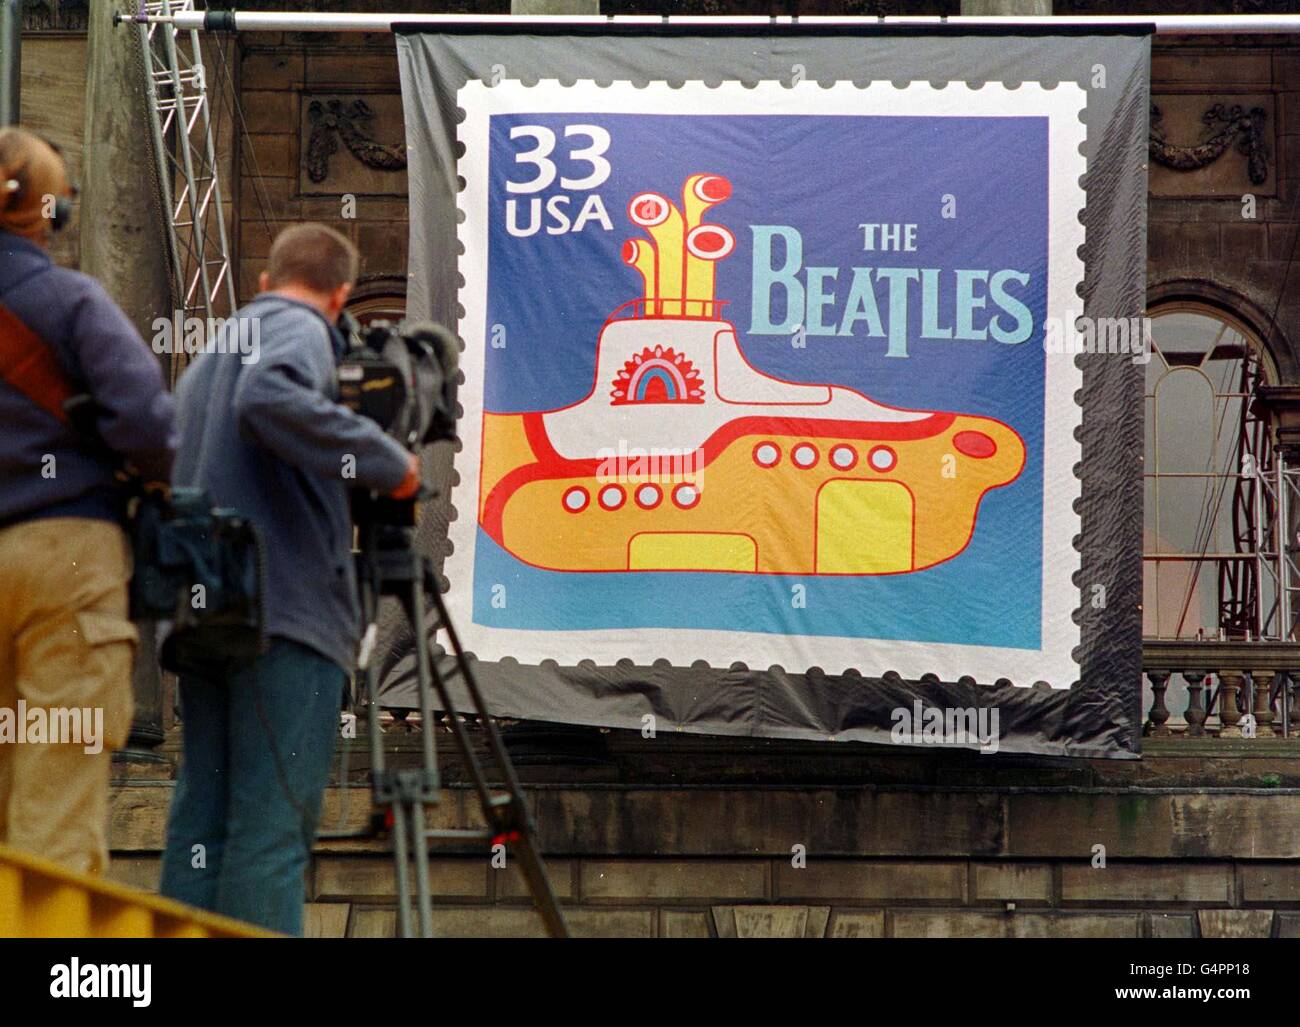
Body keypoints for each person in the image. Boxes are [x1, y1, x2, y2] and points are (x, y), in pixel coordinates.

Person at [159, 223, 419, 935]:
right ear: (339, 296)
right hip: (285, 614)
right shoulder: (302, 331)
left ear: (265, 281)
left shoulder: (216, 348)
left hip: (207, 611)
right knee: (272, 833)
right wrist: (389, 462)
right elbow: (269, 398)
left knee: (199, 825)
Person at [0, 127, 177, 874]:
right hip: (65, 555)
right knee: (54, 821)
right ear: (51, 214)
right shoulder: (70, 300)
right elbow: (149, 424)